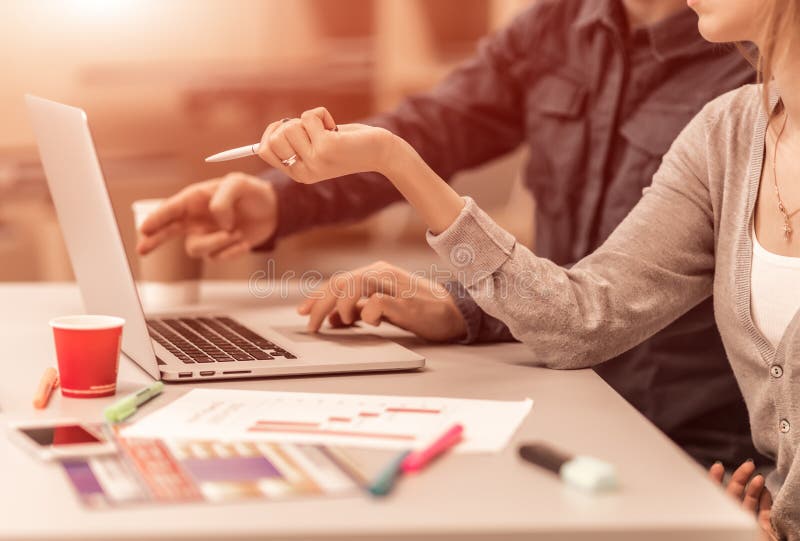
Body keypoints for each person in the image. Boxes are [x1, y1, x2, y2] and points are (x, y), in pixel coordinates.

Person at [206, 0, 798, 537]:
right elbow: (585, 313)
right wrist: (377, 164)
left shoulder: (724, 70)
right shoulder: (728, 129)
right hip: (579, 405)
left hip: (693, 443)